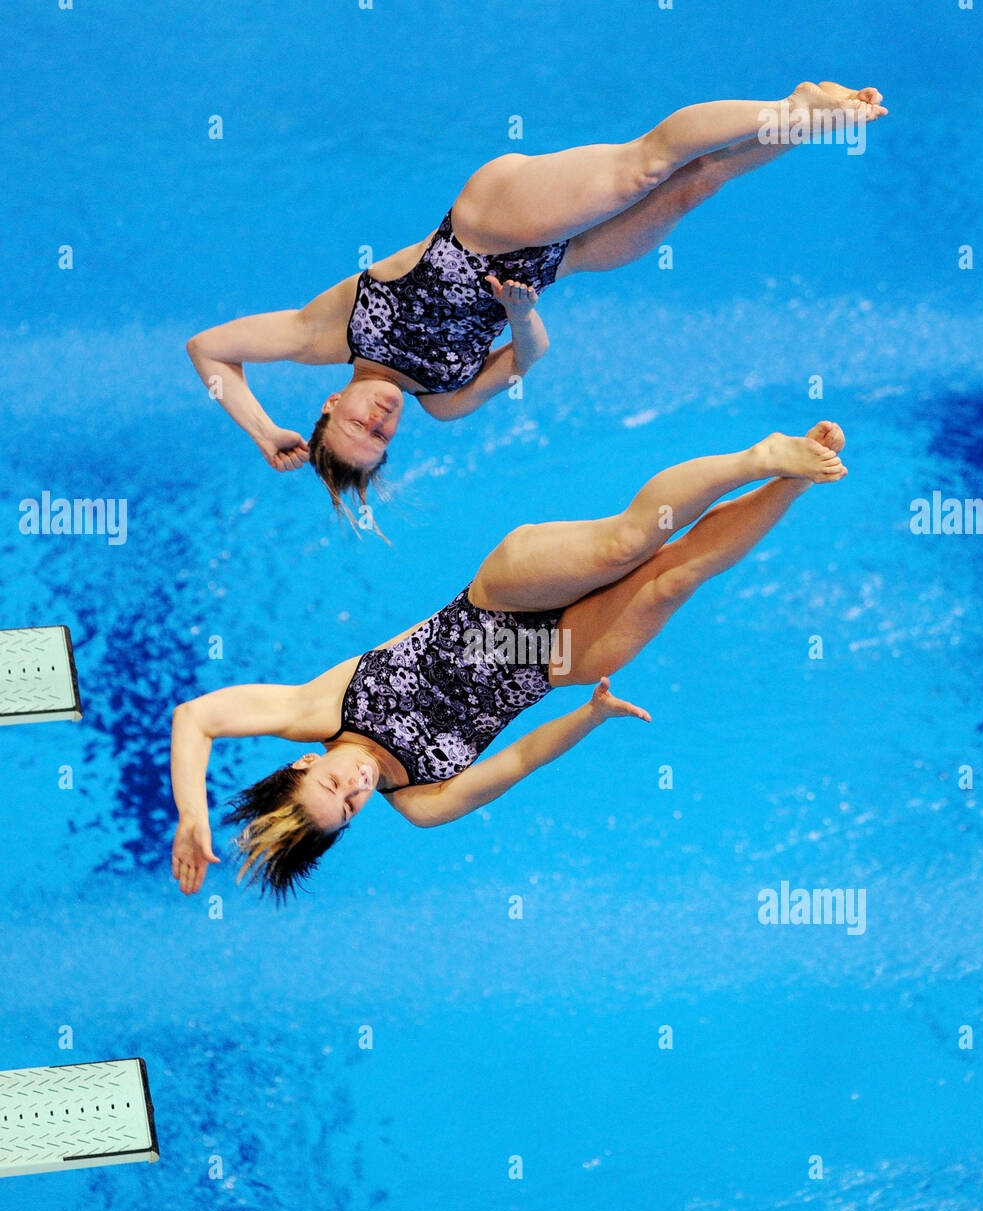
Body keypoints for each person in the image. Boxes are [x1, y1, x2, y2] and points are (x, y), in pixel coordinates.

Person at [170, 422, 847, 900]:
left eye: (331, 786)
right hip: (551, 659)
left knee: (625, 545)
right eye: (348, 810)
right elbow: (519, 761)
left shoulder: (317, 709)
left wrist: (193, 815)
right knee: (672, 579)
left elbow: (196, 716)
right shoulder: (419, 803)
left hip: (496, 602)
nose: (353, 789)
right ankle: (793, 480)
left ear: (306, 763)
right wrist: (591, 715)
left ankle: (758, 458)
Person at [185, 83, 883, 517]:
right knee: (696, 183)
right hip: (562, 261)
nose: (380, 420)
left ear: (329, 404)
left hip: (489, 223)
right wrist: (521, 316)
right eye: (383, 438)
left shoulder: (327, 336)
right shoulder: (444, 399)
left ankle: (791, 106)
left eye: (357, 424)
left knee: (643, 164)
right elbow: (529, 359)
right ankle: (806, 126)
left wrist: (262, 430)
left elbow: (208, 348)